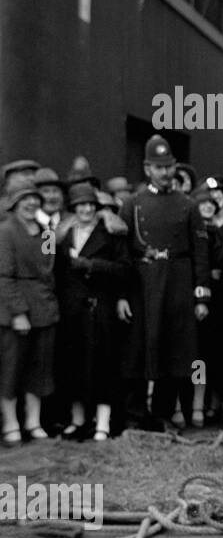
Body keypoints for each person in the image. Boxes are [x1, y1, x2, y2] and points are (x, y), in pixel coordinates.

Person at [117, 135, 211, 431]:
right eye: (159, 167)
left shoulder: (189, 205)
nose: (166, 172)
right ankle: (133, 415)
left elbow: (200, 252)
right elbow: (121, 255)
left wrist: (201, 296)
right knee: (137, 349)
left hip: (178, 284)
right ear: (147, 169)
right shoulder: (132, 204)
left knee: (175, 352)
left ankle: (163, 412)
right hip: (142, 284)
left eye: (169, 166)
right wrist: (121, 295)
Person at [54, 182, 128, 441]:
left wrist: (91, 264)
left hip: (100, 308)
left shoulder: (110, 233)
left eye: (90, 204)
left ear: (96, 207)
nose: (85, 209)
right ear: (73, 208)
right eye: (80, 205)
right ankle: (77, 420)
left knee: (102, 367)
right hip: (72, 310)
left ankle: (103, 424)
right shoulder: (63, 234)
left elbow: (124, 269)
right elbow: (56, 270)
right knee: (73, 366)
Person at [0, 175, 60, 444]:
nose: (30, 202)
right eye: (24, 199)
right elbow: (4, 276)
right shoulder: (5, 232)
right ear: (13, 204)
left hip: (44, 308)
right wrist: (19, 313)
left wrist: (49, 230)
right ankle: (11, 423)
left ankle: (33, 422)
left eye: (33, 198)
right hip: (16, 312)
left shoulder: (46, 231)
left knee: (40, 369)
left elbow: (49, 267)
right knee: (12, 369)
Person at [194, 184, 223, 426]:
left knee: (216, 355)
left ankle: (212, 404)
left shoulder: (222, 231)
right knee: (198, 356)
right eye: (204, 203)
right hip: (199, 301)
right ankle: (196, 405)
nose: (209, 206)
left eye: (213, 202)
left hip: (221, 303)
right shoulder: (193, 232)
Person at [33, 167, 66, 232]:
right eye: (46, 191)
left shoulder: (72, 222)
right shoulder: (25, 224)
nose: (52, 196)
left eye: (55, 191)